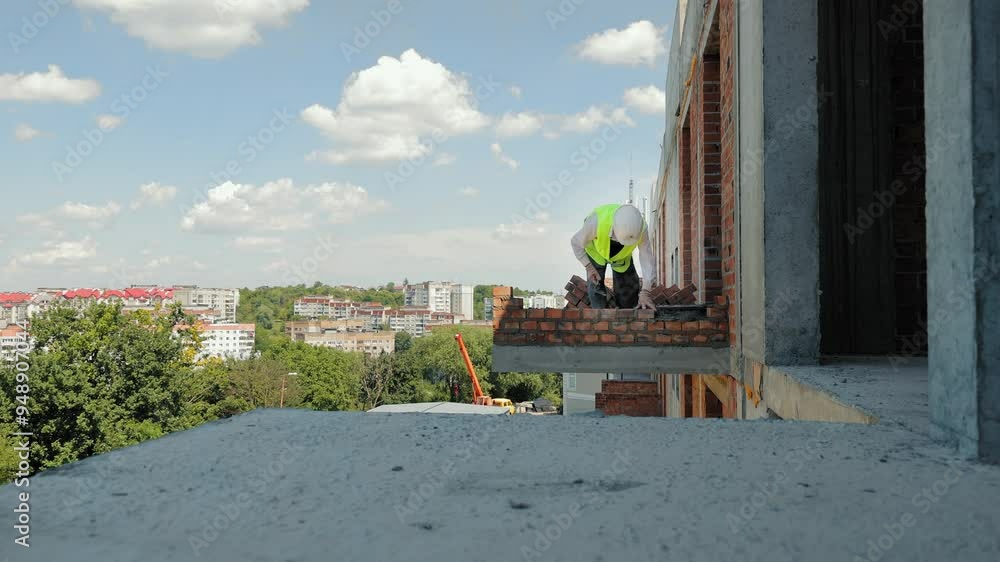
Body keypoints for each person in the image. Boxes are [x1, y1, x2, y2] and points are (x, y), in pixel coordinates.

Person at [570, 203, 656, 309]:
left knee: (628, 297)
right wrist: (588, 267)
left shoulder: (641, 229)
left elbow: (647, 259)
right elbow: (576, 242)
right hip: (596, 253)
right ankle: (600, 320)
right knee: (596, 290)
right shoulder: (596, 221)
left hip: (622, 258)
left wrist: (646, 292)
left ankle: (627, 320)